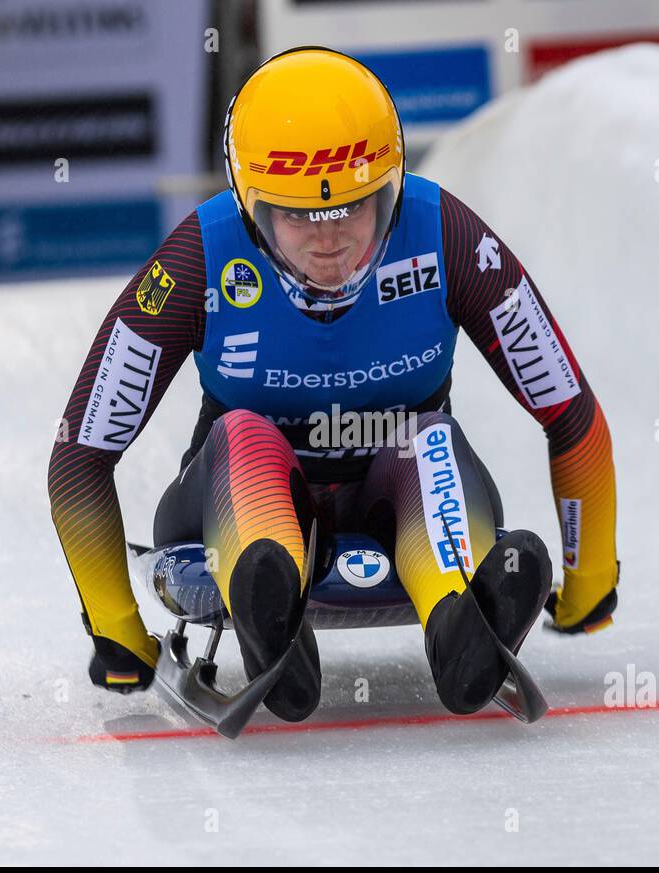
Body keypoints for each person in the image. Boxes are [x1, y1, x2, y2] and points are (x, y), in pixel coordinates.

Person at [48, 47, 619, 721]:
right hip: (236, 499)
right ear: (250, 208)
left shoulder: (449, 237)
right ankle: (271, 599)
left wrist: (591, 575)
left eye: (354, 208)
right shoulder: (198, 256)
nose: (330, 241)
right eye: (298, 216)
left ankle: (458, 620)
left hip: (396, 498)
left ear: (393, 188)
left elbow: (569, 411)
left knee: (424, 436)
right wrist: (114, 622)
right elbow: (81, 452)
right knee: (246, 433)